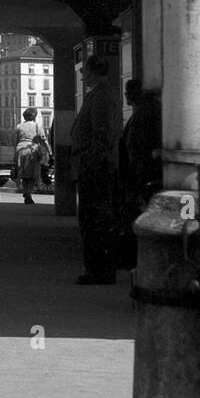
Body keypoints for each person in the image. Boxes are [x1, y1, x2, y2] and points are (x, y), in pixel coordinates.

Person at [70, 55, 122, 285]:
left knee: (94, 219)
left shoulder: (101, 96)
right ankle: (97, 268)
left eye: (84, 70)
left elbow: (102, 132)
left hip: (95, 167)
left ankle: (99, 270)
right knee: (93, 219)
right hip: (94, 164)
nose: (82, 74)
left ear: (92, 70)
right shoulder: (98, 94)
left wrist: (90, 160)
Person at [118, 81, 162, 271]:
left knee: (138, 218)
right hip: (141, 175)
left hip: (141, 177)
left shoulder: (144, 115)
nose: (126, 95)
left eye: (128, 92)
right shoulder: (146, 112)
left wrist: (135, 180)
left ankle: (137, 259)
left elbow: (138, 149)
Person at [13, 107, 49, 204]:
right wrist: (50, 151)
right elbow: (43, 140)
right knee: (33, 174)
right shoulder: (37, 126)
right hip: (32, 149)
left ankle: (26, 191)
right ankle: (28, 193)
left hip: (20, 149)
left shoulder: (19, 126)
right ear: (34, 116)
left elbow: (15, 142)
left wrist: (14, 155)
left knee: (24, 174)